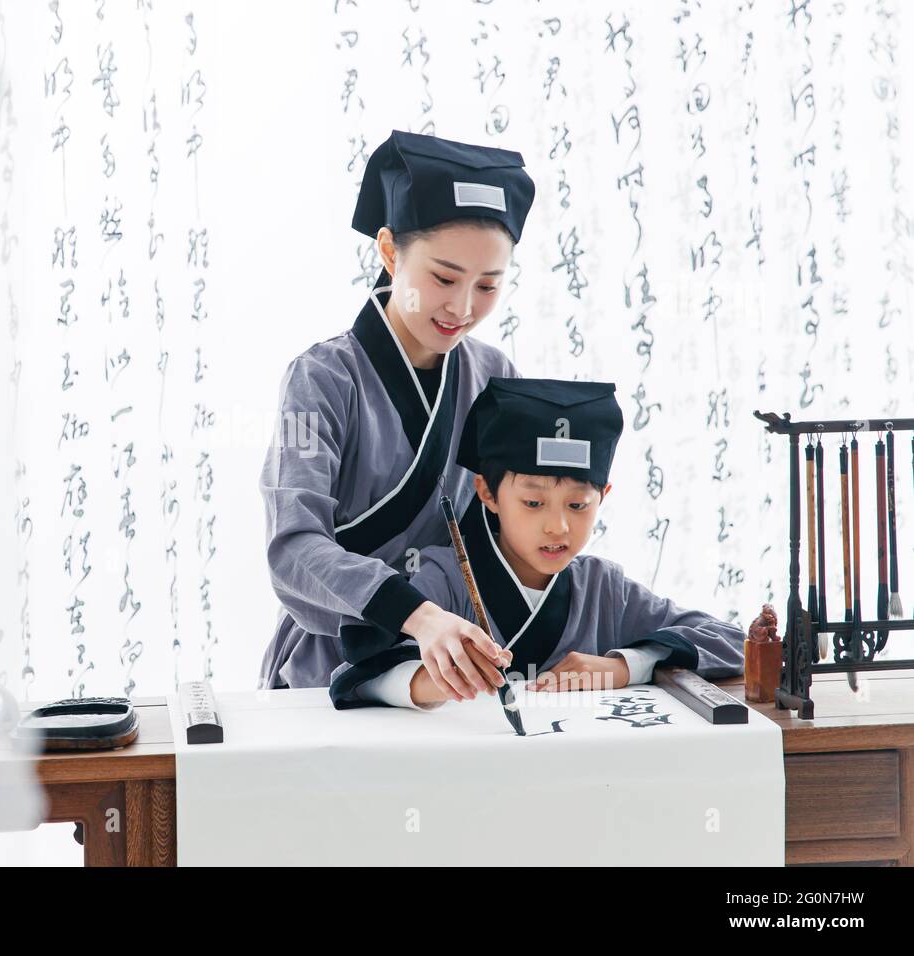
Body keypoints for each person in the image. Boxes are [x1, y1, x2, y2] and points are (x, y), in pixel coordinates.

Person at [259, 130, 536, 691]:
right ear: (389, 251)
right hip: (334, 668)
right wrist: (414, 611)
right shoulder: (320, 380)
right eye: (443, 278)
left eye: (488, 285)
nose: (462, 308)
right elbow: (294, 546)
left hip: (458, 670)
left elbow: (522, 531)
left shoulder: (497, 377)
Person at [329, 377, 771, 710]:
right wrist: (432, 680)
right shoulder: (445, 577)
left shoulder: (603, 588)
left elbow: (729, 640)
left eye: (578, 505)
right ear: (487, 493)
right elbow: (359, 673)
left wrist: (622, 667)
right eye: (534, 502)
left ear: (604, 497)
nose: (557, 526)